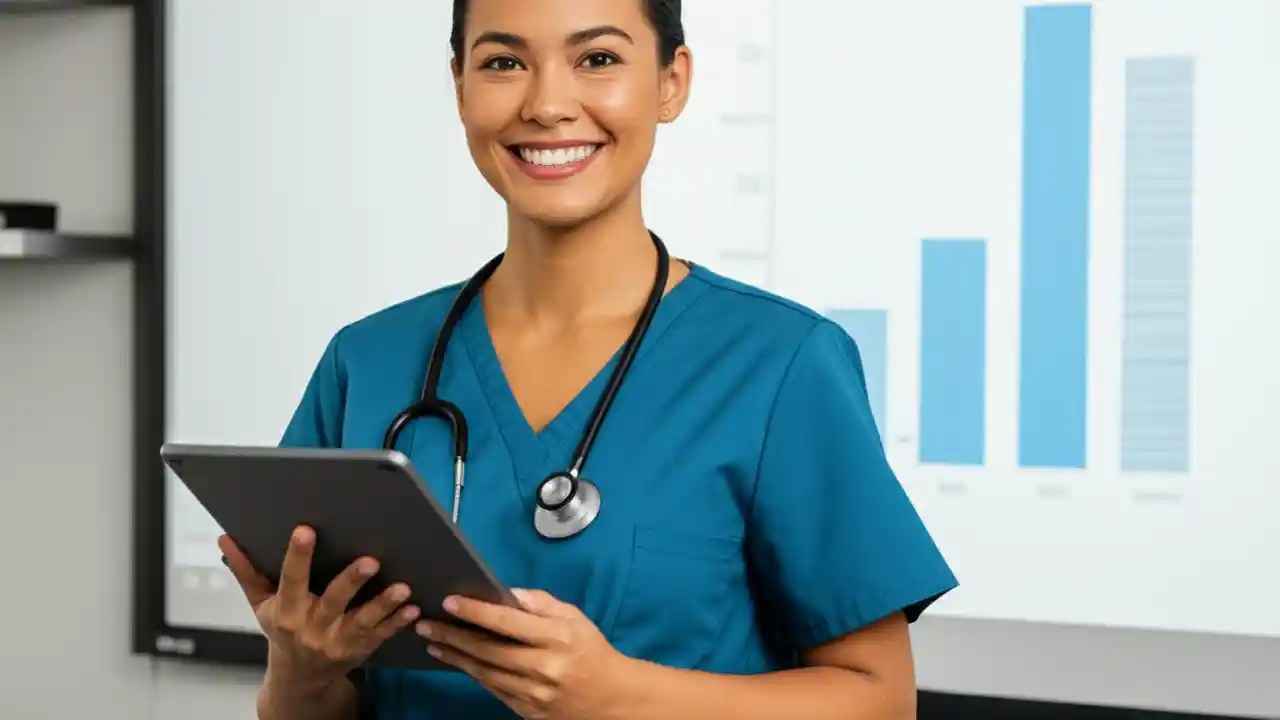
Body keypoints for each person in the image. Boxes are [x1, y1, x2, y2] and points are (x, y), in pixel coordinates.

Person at [218, 0, 958, 718]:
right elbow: (314, 708)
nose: (547, 104)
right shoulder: (367, 362)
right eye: (504, 62)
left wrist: (617, 698)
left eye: (597, 59)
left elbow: (878, 699)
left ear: (672, 82)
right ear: (460, 87)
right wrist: (303, 673)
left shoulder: (781, 364)